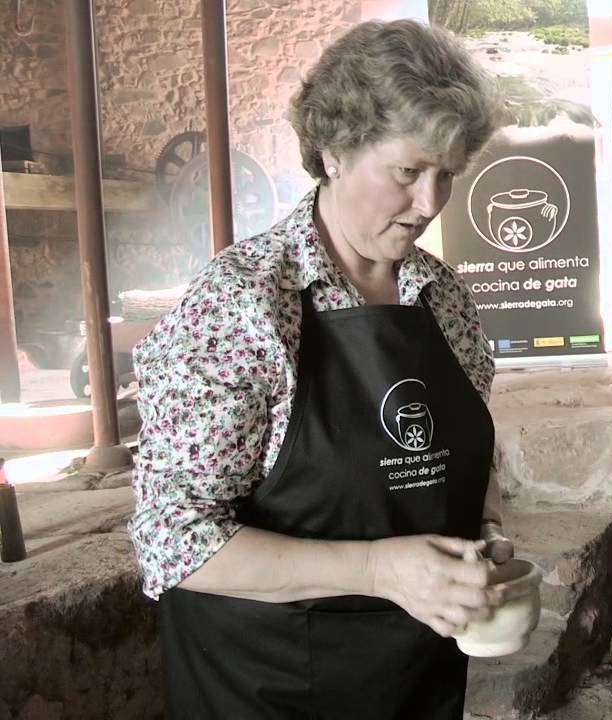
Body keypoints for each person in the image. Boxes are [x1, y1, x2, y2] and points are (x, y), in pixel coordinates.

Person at [128, 20, 515, 719]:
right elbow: (173, 539)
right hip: (271, 685)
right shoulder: (243, 305)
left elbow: (441, 461)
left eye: (448, 175)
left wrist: (478, 531)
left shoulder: (443, 297)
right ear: (335, 152)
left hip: (415, 681)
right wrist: (376, 569)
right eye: (408, 171)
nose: (430, 203)